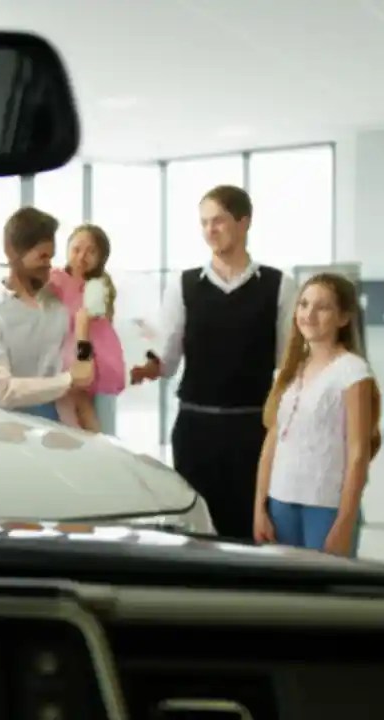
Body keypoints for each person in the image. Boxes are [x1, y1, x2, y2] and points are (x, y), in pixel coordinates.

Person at [129, 185, 298, 541]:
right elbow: (168, 356)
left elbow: (287, 365)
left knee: (249, 531)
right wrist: (145, 367)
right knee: (197, 531)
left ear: (244, 222)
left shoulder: (280, 286)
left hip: (253, 427)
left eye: (218, 221)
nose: (210, 230)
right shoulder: (184, 283)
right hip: (196, 428)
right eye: (204, 223)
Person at [253, 273, 381, 557]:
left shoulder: (353, 372)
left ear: (343, 318)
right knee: (285, 596)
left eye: (322, 307)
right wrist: (259, 507)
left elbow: (358, 453)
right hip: (280, 502)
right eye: (304, 304)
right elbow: (271, 445)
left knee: (327, 595)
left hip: (326, 506)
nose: (309, 314)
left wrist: (344, 522)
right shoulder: (288, 371)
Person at [0, 207, 93, 420]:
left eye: (50, 258)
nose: (48, 266)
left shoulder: (58, 308)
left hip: (59, 425)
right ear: (14, 254)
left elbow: (81, 351)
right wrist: (68, 380)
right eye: (42, 257)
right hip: (6, 429)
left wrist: (84, 362)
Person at [47, 224, 126, 433]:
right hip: (73, 353)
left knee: (85, 406)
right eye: (76, 249)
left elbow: (96, 322)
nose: (82, 256)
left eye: (91, 251)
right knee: (75, 403)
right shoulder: (56, 279)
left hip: (94, 354)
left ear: (101, 257)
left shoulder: (98, 285)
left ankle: (99, 449)